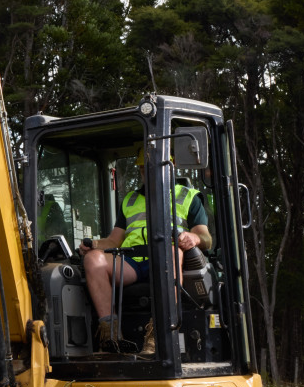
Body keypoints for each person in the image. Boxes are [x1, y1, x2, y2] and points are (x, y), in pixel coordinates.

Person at [79, 149, 212, 355]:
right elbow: (115, 240)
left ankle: (158, 334)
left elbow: (205, 238)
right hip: (133, 261)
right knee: (93, 260)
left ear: (170, 167)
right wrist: (94, 244)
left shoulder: (188, 197)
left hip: (168, 260)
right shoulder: (130, 200)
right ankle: (111, 337)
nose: (147, 173)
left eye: (153, 169)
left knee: (170, 252)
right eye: (143, 169)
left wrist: (192, 238)